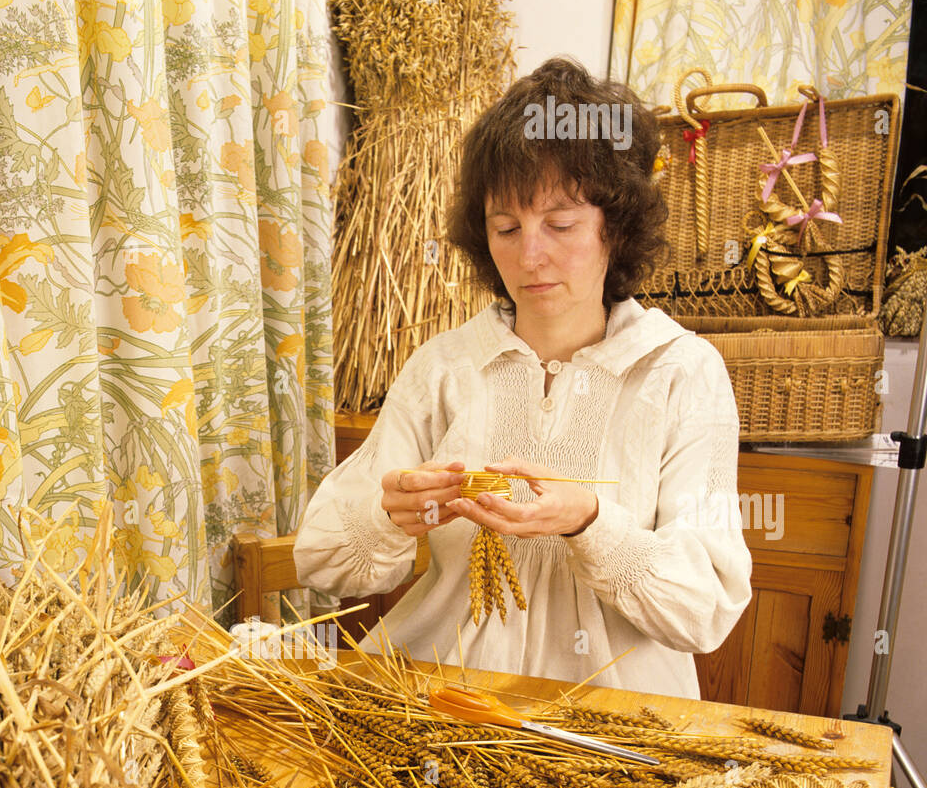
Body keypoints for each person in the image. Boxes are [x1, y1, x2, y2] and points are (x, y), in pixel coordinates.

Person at [293, 57, 753, 699]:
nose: (529, 256)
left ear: (615, 229)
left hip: (617, 714)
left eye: (560, 225)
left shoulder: (681, 372)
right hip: (441, 694)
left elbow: (705, 608)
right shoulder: (444, 367)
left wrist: (591, 522)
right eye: (505, 228)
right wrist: (386, 515)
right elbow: (319, 558)